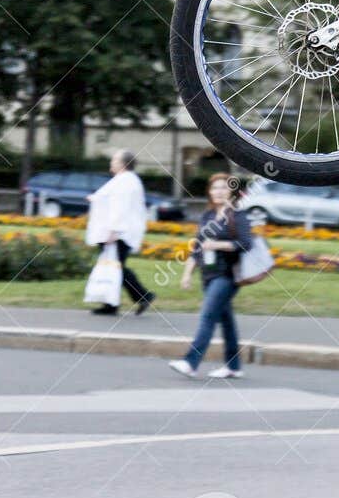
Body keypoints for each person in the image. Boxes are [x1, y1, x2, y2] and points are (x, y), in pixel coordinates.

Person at [167, 173, 251, 379]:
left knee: (208, 316)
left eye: (223, 187)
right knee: (226, 321)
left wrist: (218, 244)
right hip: (208, 275)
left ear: (231, 191)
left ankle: (190, 363)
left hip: (227, 276)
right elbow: (197, 248)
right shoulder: (208, 216)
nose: (219, 192)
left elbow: (245, 244)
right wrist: (187, 274)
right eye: (215, 188)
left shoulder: (237, 215)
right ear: (210, 192)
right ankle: (233, 366)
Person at [84, 148, 155, 316]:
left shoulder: (125, 182)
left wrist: (114, 231)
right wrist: (95, 198)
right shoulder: (126, 180)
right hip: (120, 232)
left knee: (116, 267)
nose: (112, 162)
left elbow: (120, 208)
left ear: (123, 164)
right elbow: (108, 198)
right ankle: (119, 302)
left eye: (115, 160)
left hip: (118, 234)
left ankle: (140, 297)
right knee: (115, 267)